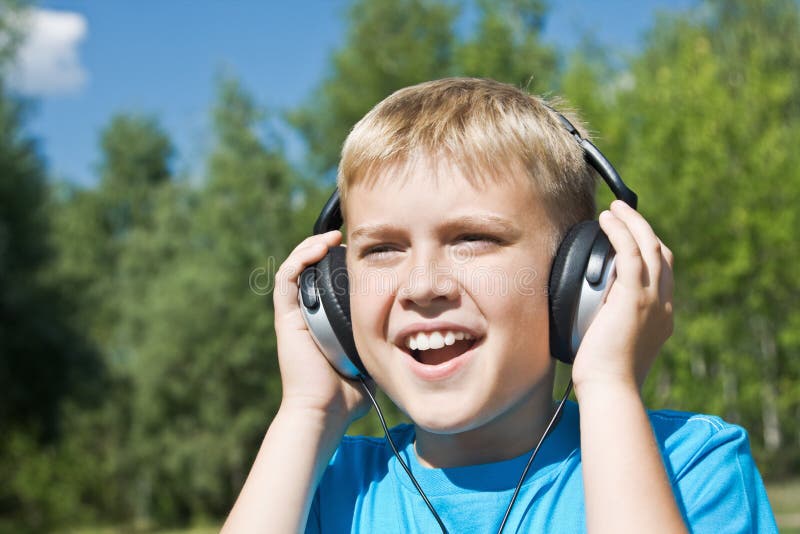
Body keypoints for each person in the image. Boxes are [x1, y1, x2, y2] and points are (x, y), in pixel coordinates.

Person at [222, 77, 777, 533]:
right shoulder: (317, 488)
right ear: (332, 298)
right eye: (383, 249)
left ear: (584, 276)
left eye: (472, 239)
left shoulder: (691, 463)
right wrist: (308, 411)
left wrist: (609, 386)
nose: (422, 286)